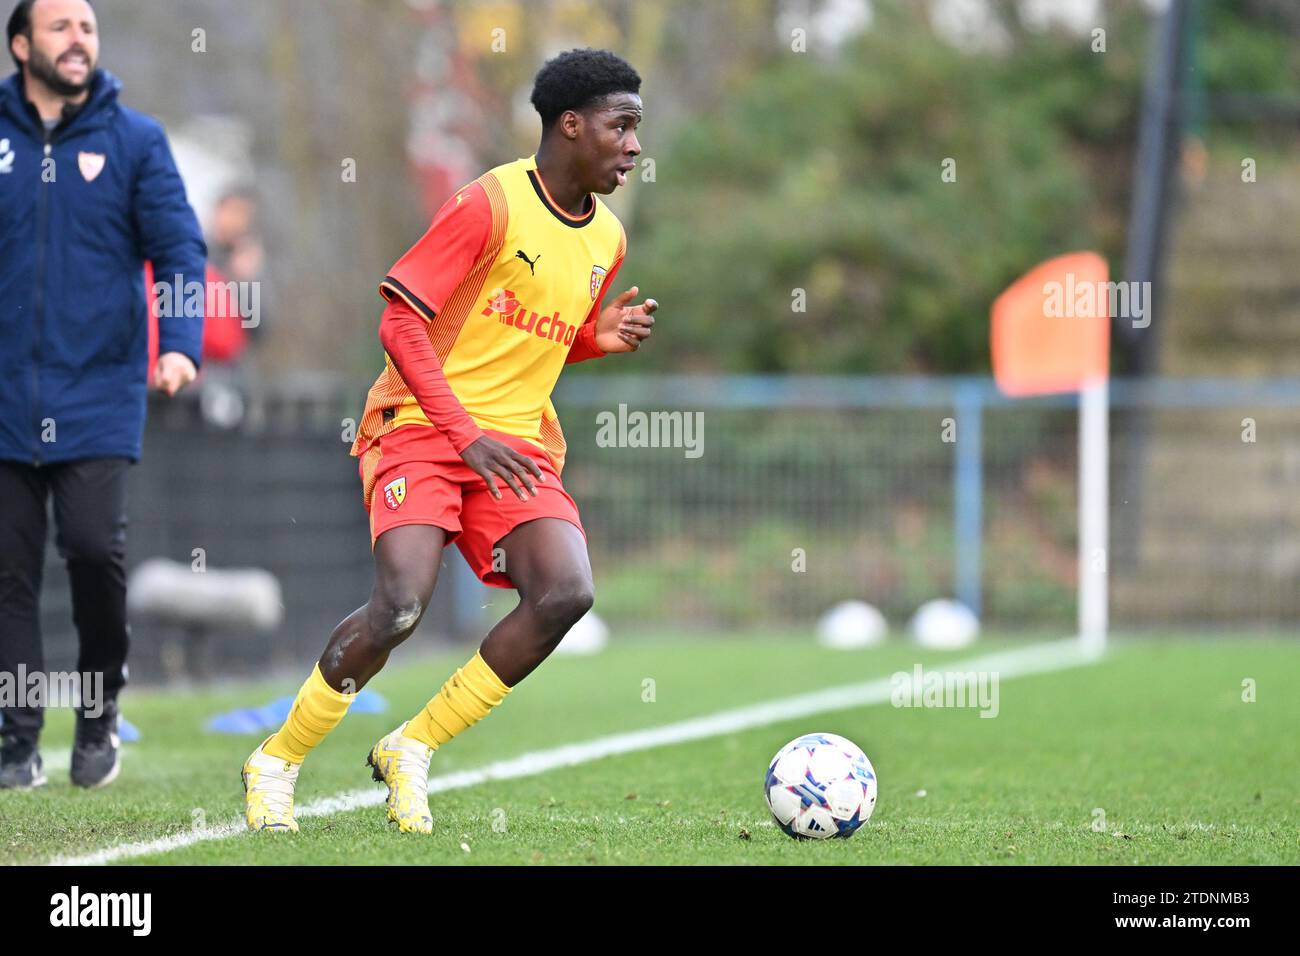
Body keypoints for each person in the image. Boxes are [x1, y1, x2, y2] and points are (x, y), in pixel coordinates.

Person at [242, 48, 655, 833]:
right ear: (571, 126)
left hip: (515, 444)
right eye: (621, 126)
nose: (635, 145)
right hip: (423, 428)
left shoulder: (607, 238)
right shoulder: (488, 203)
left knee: (567, 593)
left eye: (638, 128)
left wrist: (595, 338)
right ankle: (277, 760)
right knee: (400, 607)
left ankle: (412, 746)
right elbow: (400, 322)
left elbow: (534, 336)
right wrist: (463, 435)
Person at [0, 0, 205, 790]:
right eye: (60, 27)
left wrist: (180, 346)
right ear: (22, 45)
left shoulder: (135, 142)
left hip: (97, 393)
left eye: (87, 27)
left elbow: (181, 253)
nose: (78, 39)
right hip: (5, 398)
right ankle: (17, 743)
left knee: (91, 552)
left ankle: (98, 713)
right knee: (9, 574)